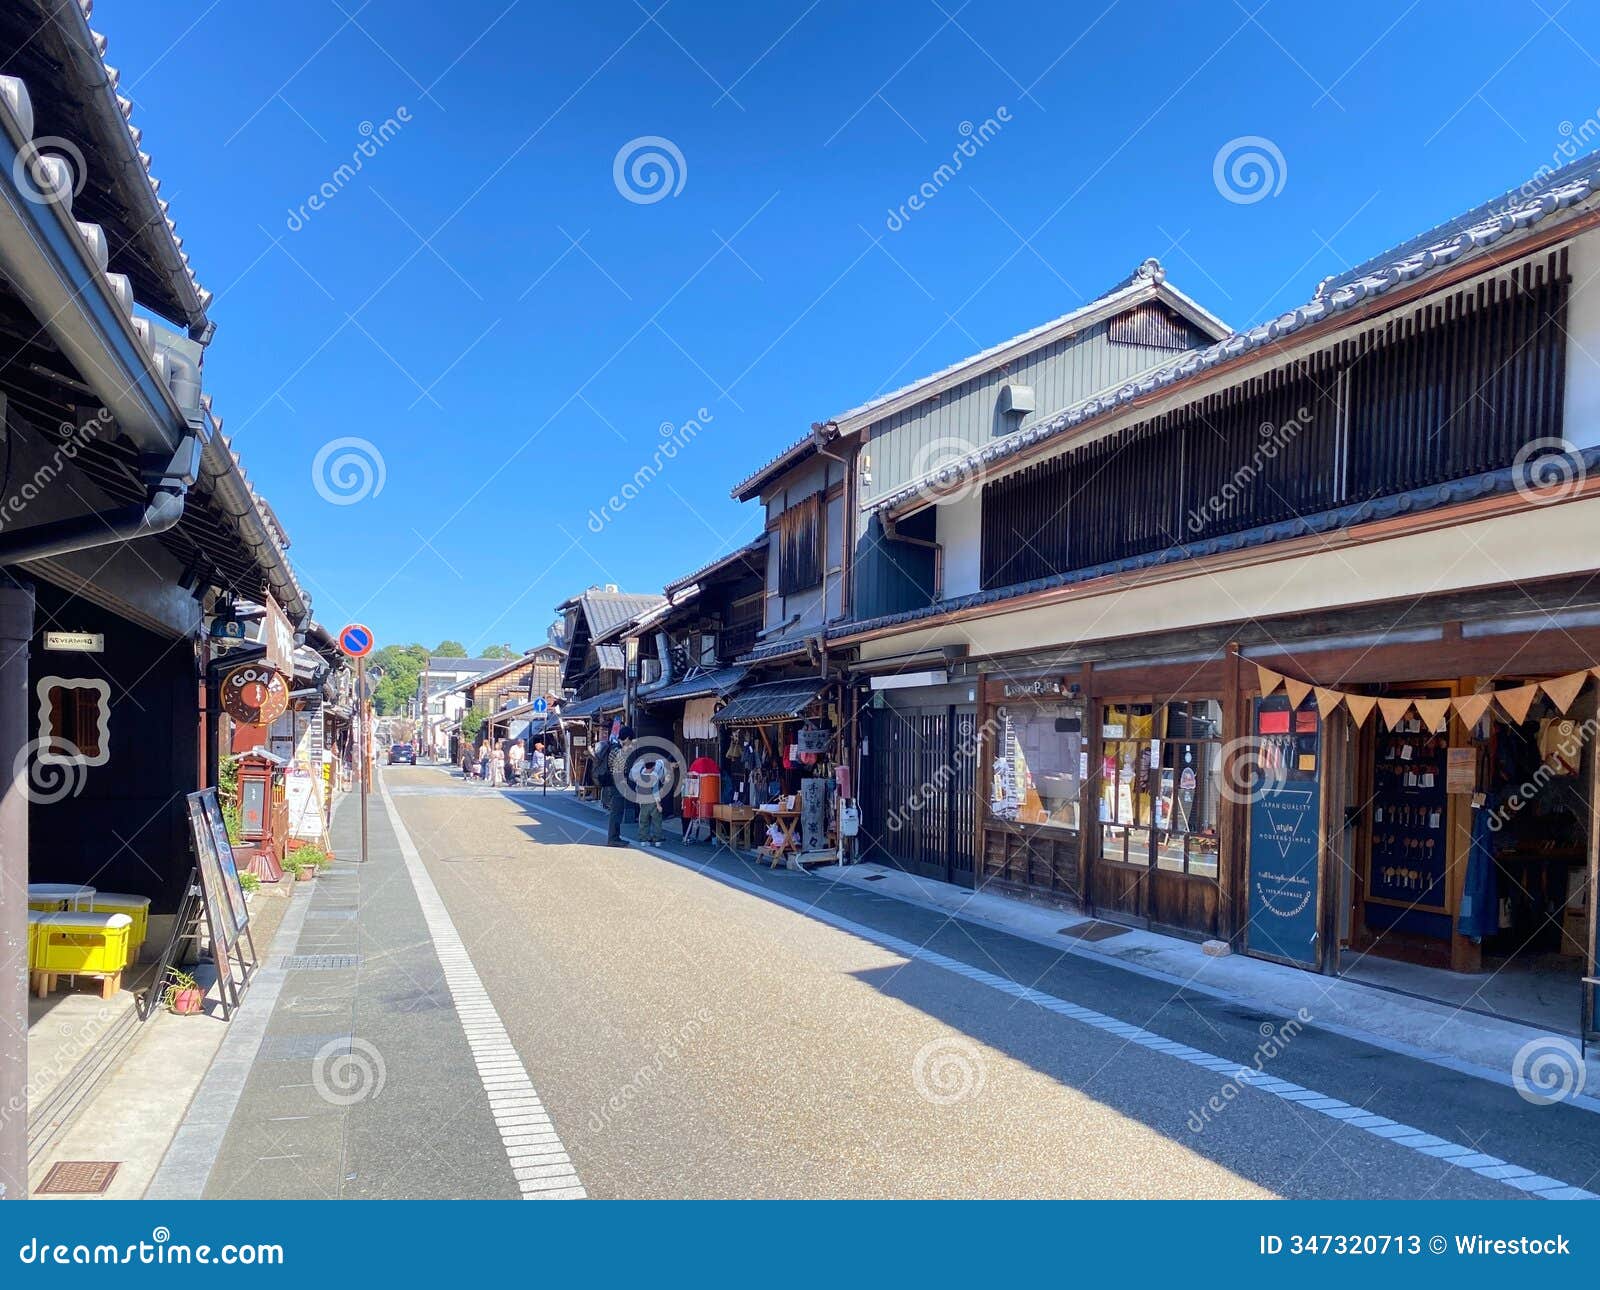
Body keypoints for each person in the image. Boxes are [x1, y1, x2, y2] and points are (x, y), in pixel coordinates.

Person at [596, 724, 633, 846]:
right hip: (617, 785)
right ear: (627, 738)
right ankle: (613, 839)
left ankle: (615, 837)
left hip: (613, 783)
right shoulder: (619, 751)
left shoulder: (614, 747)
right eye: (631, 740)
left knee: (616, 812)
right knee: (616, 812)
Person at [634, 753, 667, 845]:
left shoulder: (640, 775)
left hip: (643, 801)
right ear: (653, 766)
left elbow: (637, 788)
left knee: (643, 821)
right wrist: (658, 805)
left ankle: (643, 840)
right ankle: (657, 840)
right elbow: (655, 791)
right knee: (657, 821)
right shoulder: (654, 776)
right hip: (652, 801)